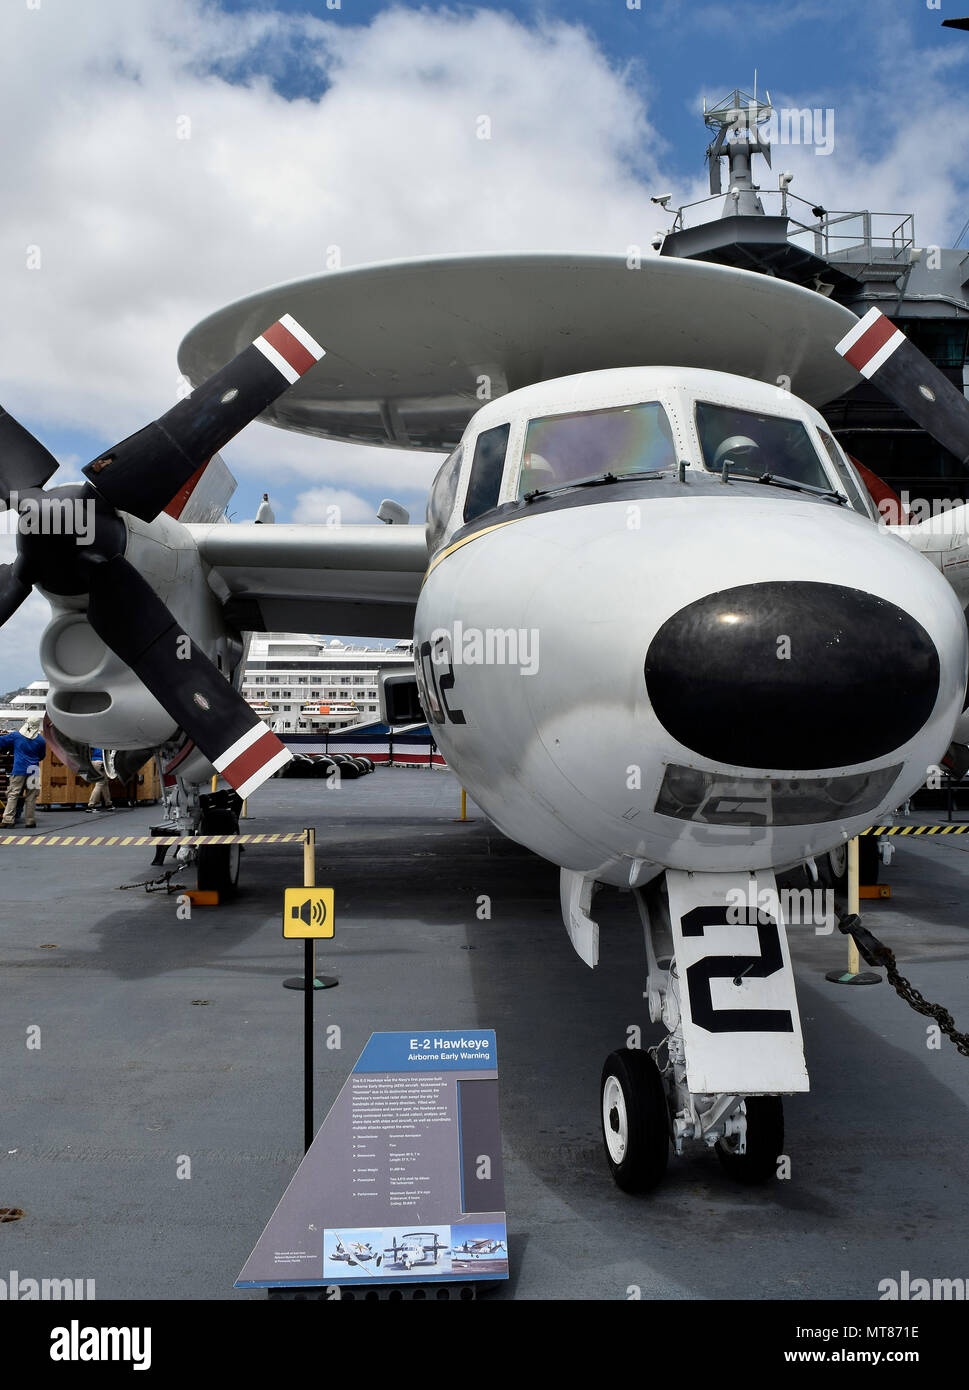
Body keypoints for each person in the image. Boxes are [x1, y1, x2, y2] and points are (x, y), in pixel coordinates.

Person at [0, 714, 47, 830]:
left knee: (13, 794)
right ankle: (30, 821)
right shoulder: (41, 740)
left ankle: (8, 820)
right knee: (31, 796)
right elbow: (42, 756)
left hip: (19, 769)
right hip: (34, 770)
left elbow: (1, 742)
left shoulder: (16, 736)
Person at [86, 748, 114, 812]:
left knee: (105, 783)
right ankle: (90, 806)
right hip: (101, 762)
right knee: (100, 783)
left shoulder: (97, 739)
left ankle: (108, 804)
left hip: (94, 761)